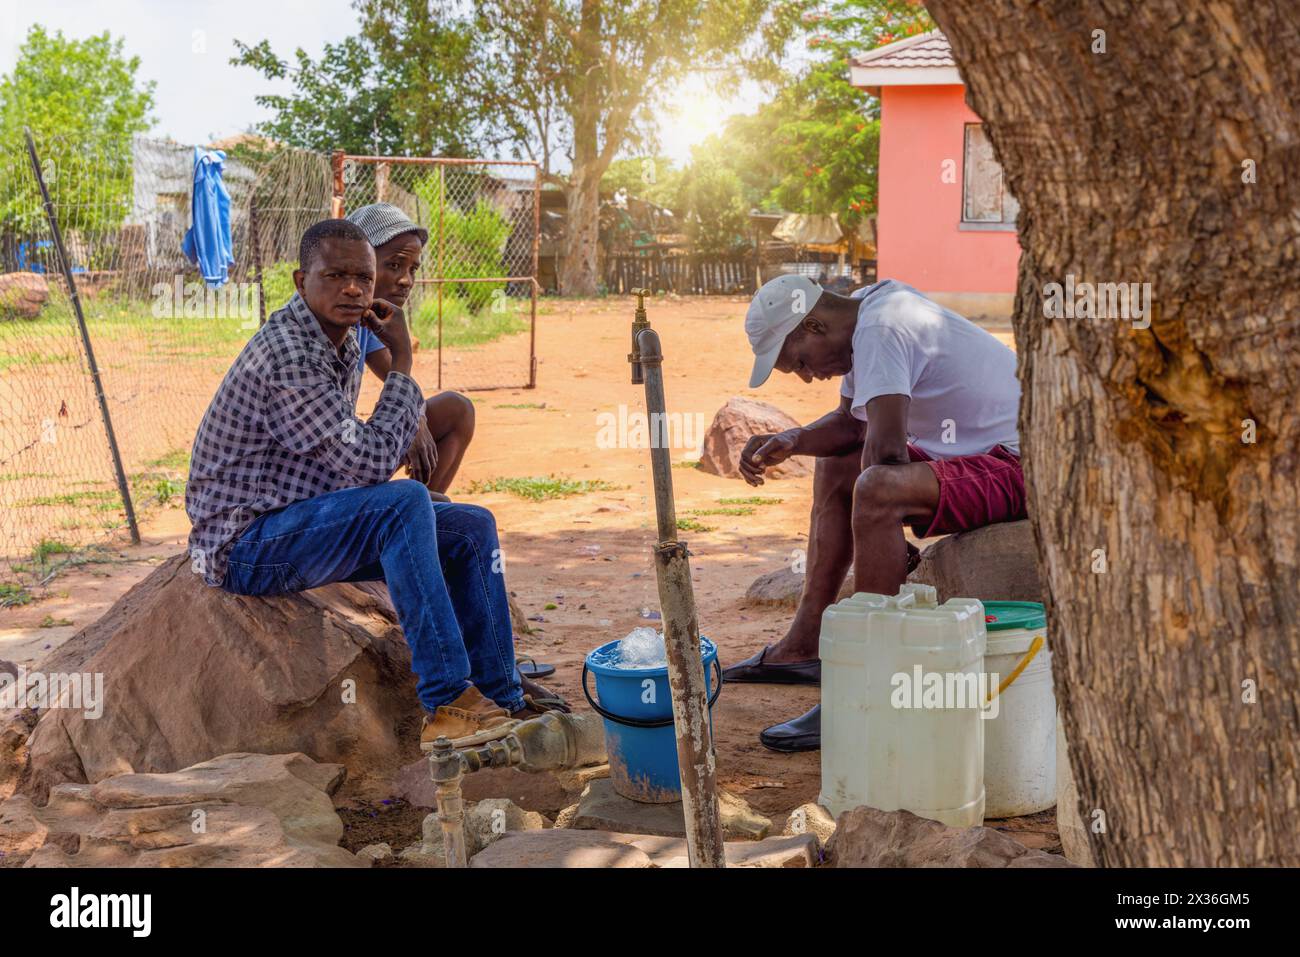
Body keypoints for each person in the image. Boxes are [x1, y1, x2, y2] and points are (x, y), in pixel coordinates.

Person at [184, 218, 554, 749]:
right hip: (245, 546)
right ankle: (448, 702)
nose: (353, 289)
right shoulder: (289, 353)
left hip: (300, 518)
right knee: (405, 501)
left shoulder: (341, 337)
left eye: (363, 276)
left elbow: (354, 459)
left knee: (471, 526)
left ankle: (502, 695)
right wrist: (403, 359)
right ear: (299, 281)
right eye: (335, 276)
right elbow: (365, 465)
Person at [723, 275, 1025, 752]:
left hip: (1024, 463)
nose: (806, 376)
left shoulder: (882, 327)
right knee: (841, 464)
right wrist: (795, 440)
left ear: (816, 325)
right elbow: (850, 426)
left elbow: (883, 457)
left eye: (800, 361)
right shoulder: (865, 309)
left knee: (878, 488)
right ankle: (805, 643)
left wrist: (876, 533)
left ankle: (870, 678)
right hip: (979, 452)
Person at [344, 202, 475, 499]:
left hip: (346, 445)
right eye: (393, 266)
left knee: (458, 410)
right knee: (444, 513)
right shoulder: (335, 322)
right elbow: (333, 432)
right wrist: (408, 421)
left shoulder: (367, 316)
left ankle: (420, 514)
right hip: (322, 464)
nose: (406, 281)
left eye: (412, 269)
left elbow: (394, 373)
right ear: (359, 262)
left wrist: (414, 417)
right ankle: (411, 515)